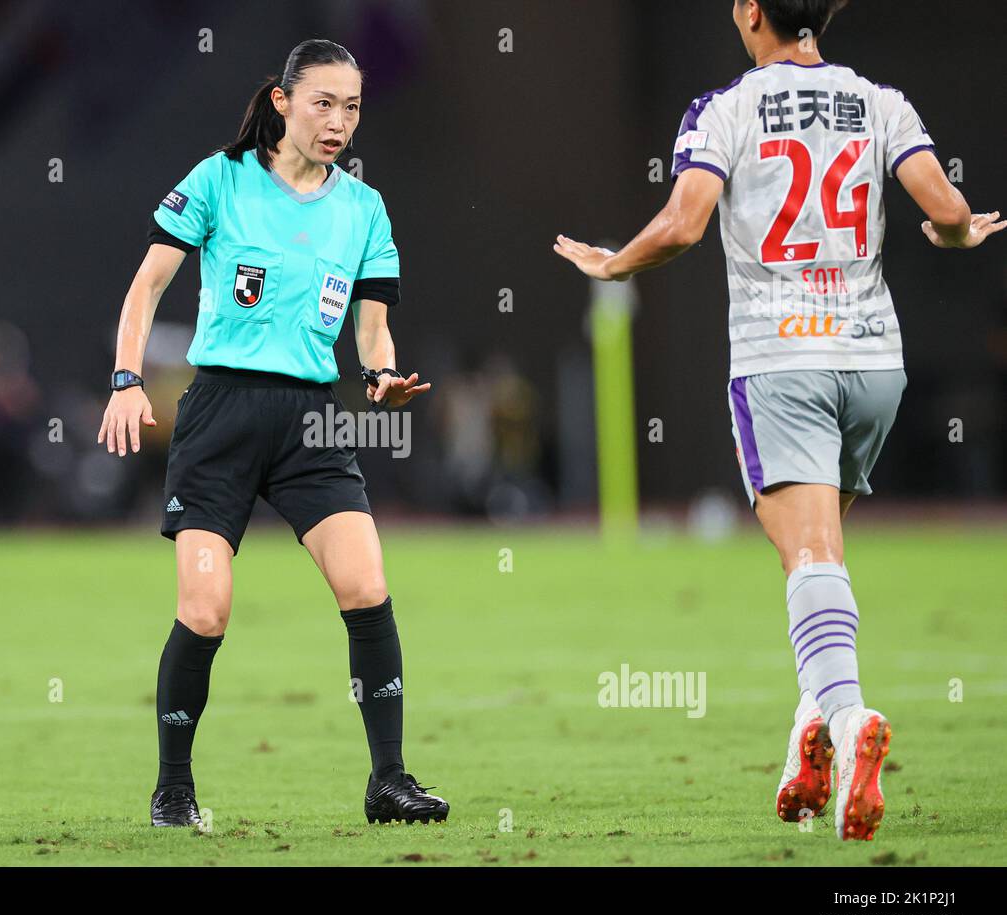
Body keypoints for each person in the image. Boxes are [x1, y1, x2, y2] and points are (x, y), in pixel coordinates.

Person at [552, 0, 1005, 841]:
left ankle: (848, 721)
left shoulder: (723, 110)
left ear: (749, 12)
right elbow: (946, 209)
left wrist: (616, 263)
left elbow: (684, 223)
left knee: (807, 557)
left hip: (781, 357)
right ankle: (808, 737)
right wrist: (956, 240)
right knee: (822, 553)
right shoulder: (879, 100)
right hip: (874, 366)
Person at [97, 39, 447, 828]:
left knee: (366, 587)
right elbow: (147, 285)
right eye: (323, 102)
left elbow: (374, 330)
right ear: (283, 101)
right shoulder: (220, 180)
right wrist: (124, 380)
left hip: (311, 420)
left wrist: (382, 375)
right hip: (219, 416)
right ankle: (174, 789)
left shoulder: (363, 208)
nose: (339, 122)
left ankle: (389, 781)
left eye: (352, 107)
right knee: (207, 608)